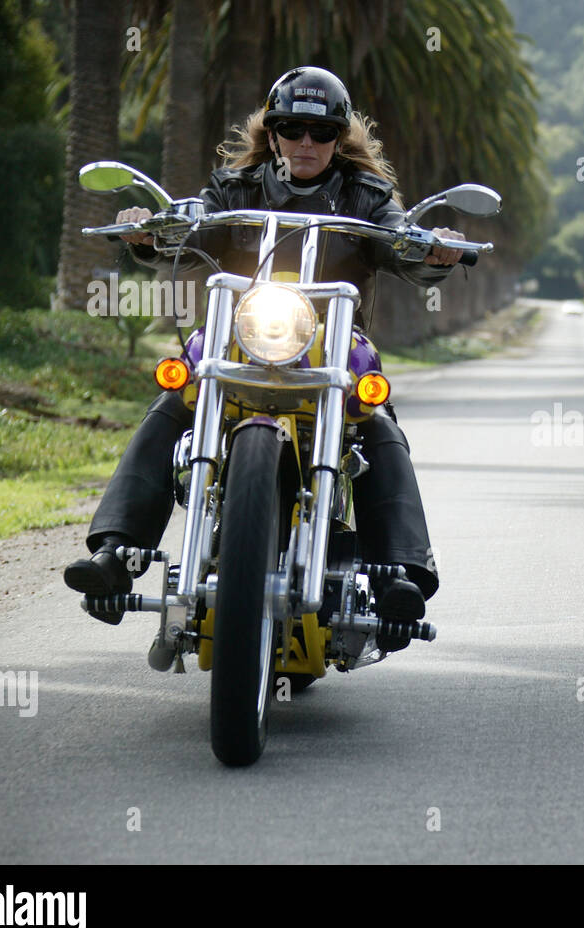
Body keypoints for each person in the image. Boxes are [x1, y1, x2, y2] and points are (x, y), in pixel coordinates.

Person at [65, 66, 463, 636]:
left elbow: (402, 245)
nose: (306, 142)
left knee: (375, 417)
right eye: (293, 128)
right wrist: (150, 233)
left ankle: (399, 570)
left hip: (331, 342)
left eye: (321, 132)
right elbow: (193, 228)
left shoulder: (366, 196)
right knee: (180, 392)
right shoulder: (235, 188)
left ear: (339, 137)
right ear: (272, 132)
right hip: (241, 332)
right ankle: (116, 552)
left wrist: (434, 249)